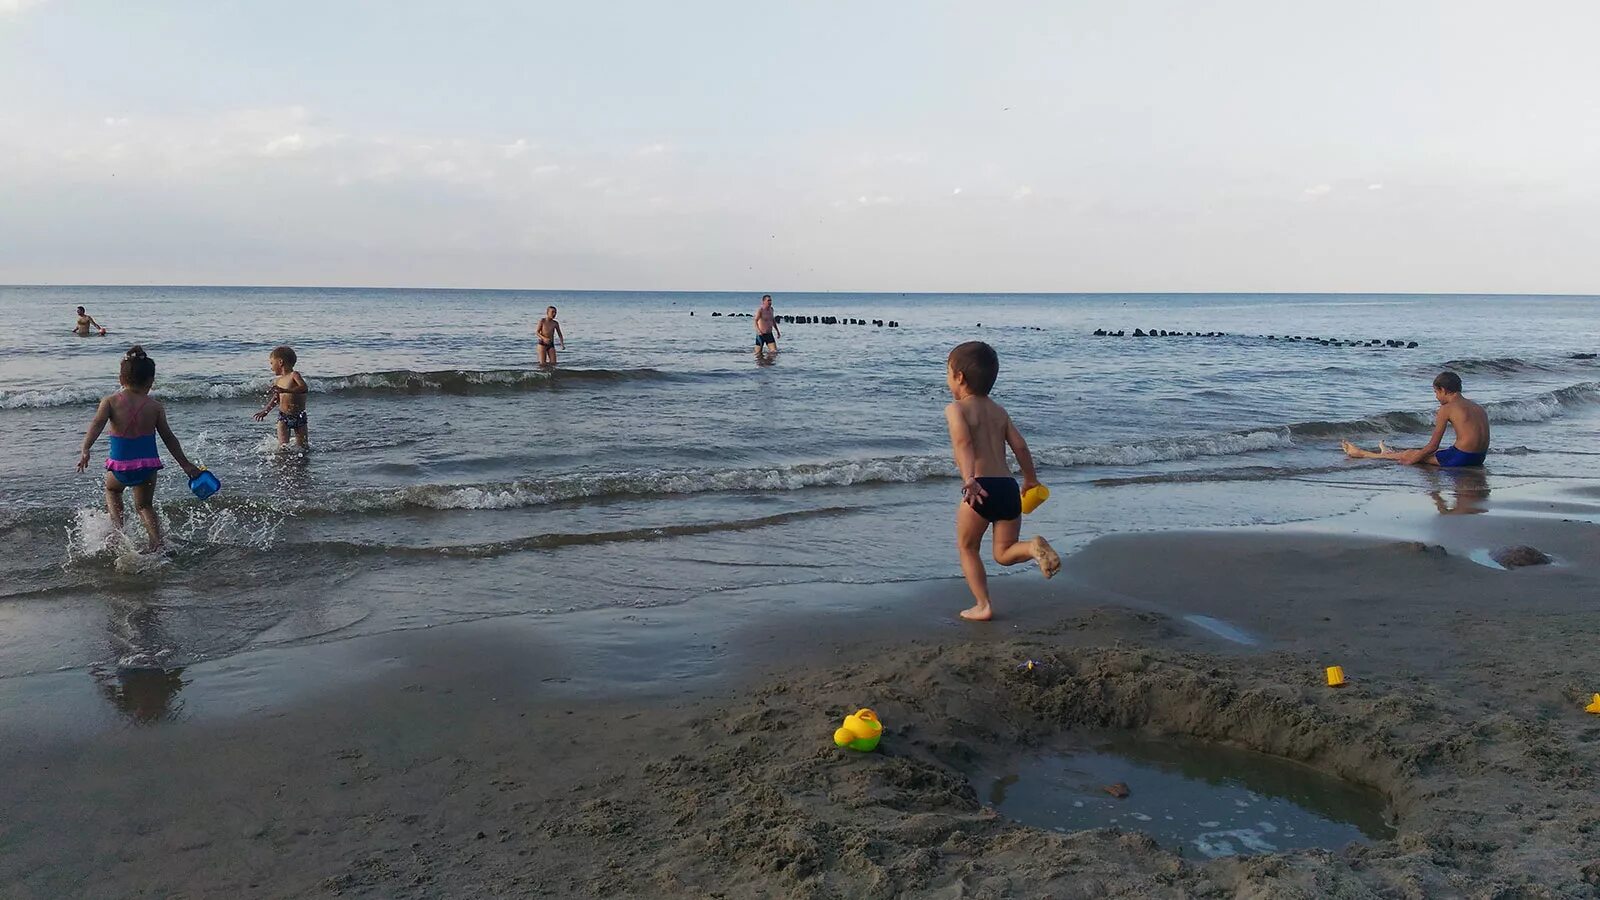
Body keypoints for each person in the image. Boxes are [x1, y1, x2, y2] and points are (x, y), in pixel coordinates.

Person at [943, 340, 1061, 621]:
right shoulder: (999, 412)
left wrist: (969, 479)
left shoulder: (956, 410)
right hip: (1008, 488)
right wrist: (1030, 479)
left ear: (959, 377)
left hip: (980, 488)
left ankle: (983, 605)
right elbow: (1020, 446)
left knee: (968, 547)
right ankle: (1033, 548)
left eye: (947, 372)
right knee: (1004, 552)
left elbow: (963, 444)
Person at [75, 346, 202, 552]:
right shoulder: (155, 406)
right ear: (151, 382)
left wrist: (85, 449)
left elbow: (96, 424)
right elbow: (169, 438)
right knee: (144, 506)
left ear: (120, 378)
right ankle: (156, 542)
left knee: (112, 490)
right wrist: (186, 465)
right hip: (147, 467)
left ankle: (118, 530)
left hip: (120, 467)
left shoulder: (110, 402)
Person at [1341, 371, 1490, 467]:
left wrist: (1412, 459)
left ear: (1442, 390)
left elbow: (1433, 446)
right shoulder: (1478, 407)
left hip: (1461, 459)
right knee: (1421, 453)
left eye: (1435, 392)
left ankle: (1363, 454)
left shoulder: (1447, 408)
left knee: (1410, 454)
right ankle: (1388, 453)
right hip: (1479, 458)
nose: (1436, 397)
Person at [253, 345, 310, 447]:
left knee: (303, 447)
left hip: (299, 416)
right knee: (283, 446)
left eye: (272, 363)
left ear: (280, 362)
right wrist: (265, 411)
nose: (271, 367)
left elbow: (304, 388)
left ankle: (302, 462)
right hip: (283, 416)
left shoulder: (294, 375)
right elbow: (276, 399)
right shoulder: (278, 381)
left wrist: (285, 390)